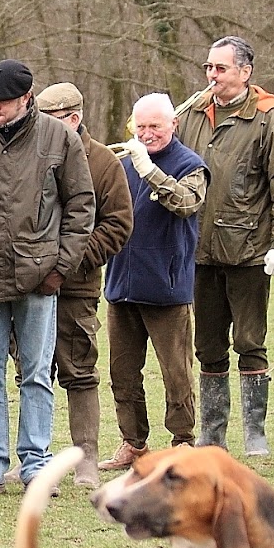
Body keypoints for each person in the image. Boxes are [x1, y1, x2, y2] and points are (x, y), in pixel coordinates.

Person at [0, 59, 93, 494]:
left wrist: (61, 268)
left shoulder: (60, 138)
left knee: (37, 372)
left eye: (3, 102)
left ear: (27, 98)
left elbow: (81, 205)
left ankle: (36, 463)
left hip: (39, 274)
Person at [177, 35, 274, 458]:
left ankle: (256, 433)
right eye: (209, 68)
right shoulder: (192, 113)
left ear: (245, 72)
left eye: (221, 68)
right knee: (207, 346)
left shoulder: (269, 119)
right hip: (198, 249)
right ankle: (213, 433)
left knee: (249, 341)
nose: (212, 76)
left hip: (249, 249)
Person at [96, 94, 208, 471]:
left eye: (155, 126)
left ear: (173, 124)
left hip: (167, 287)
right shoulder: (121, 164)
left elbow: (187, 203)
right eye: (140, 127)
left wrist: (150, 172)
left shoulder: (191, 166)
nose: (147, 135)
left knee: (176, 371)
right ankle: (133, 442)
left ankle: (183, 441)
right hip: (121, 284)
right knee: (122, 373)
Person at [33, 83, 133, 488]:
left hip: (76, 287)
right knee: (30, 370)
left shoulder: (104, 162)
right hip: (25, 285)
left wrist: (68, 263)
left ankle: (86, 456)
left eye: (51, 120)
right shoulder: (31, 154)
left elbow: (118, 224)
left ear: (73, 118)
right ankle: (32, 457)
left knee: (78, 369)